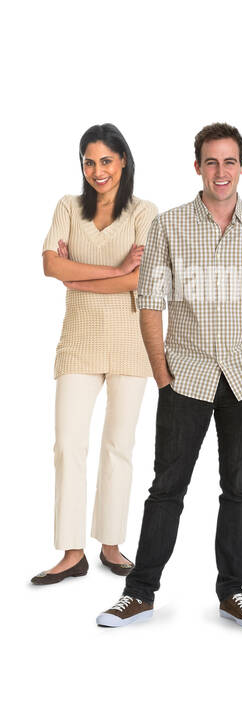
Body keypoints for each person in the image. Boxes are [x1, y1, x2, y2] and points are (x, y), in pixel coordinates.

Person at [94, 123, 242, 629]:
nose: (220, 171)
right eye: (211, 162)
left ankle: (235, 592)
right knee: (167, 488)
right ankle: (138, 592)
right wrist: (162, 373)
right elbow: (150, 301)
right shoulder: (170, 226)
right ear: (197, 167)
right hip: (185, 375)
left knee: (240, 491)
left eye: (229, 162)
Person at [33, 124, 157, 587]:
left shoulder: (145, 213)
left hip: (130, 339)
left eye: (106, 160)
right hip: (80, 338)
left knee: (118, 447)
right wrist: (115, 268)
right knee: (69, 445)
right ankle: (71, 552)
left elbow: (140, 280)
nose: (97, 170)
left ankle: (110, 543)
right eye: (89, 161)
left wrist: (78, 278)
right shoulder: (68, 207)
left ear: (123, 160)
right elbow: (49, 264)